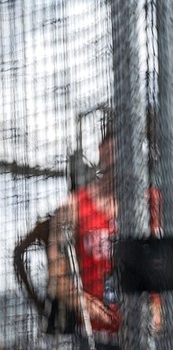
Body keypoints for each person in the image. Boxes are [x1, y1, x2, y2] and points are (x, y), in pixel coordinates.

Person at [46, 131, 160, 350]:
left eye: (125, 151)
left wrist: (158, 308)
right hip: (96, 334)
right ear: (101, 151)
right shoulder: (75, 206)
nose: (118, 159)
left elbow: (165, 262)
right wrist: (81, 301)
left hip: (143, 331)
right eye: (112, 150)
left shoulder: (149, 202)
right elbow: (55, 276)